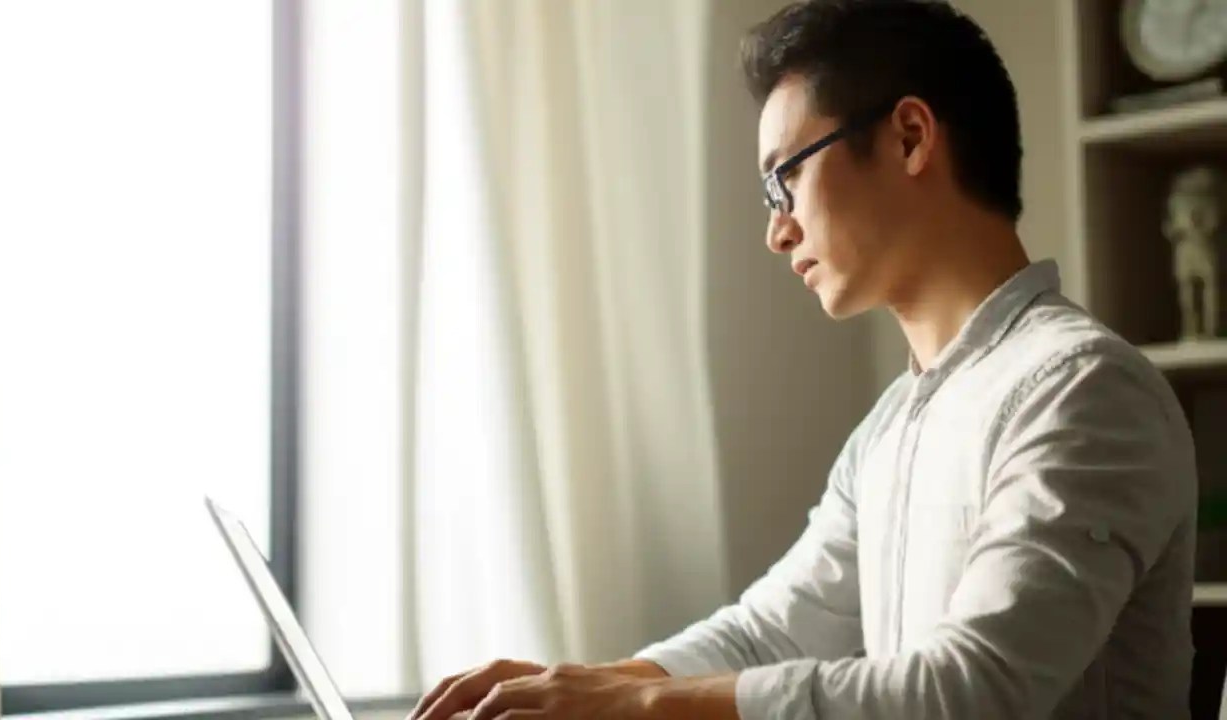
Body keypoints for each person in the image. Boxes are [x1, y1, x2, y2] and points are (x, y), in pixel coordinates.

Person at [408, 1, 1198, 718]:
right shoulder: (893, 428)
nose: (776, 231)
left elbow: (970, 688)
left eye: (784, 179)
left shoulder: (1083, 391)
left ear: (911, 137)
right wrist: (575, 688)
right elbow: (770, 633)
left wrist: (634, 708)